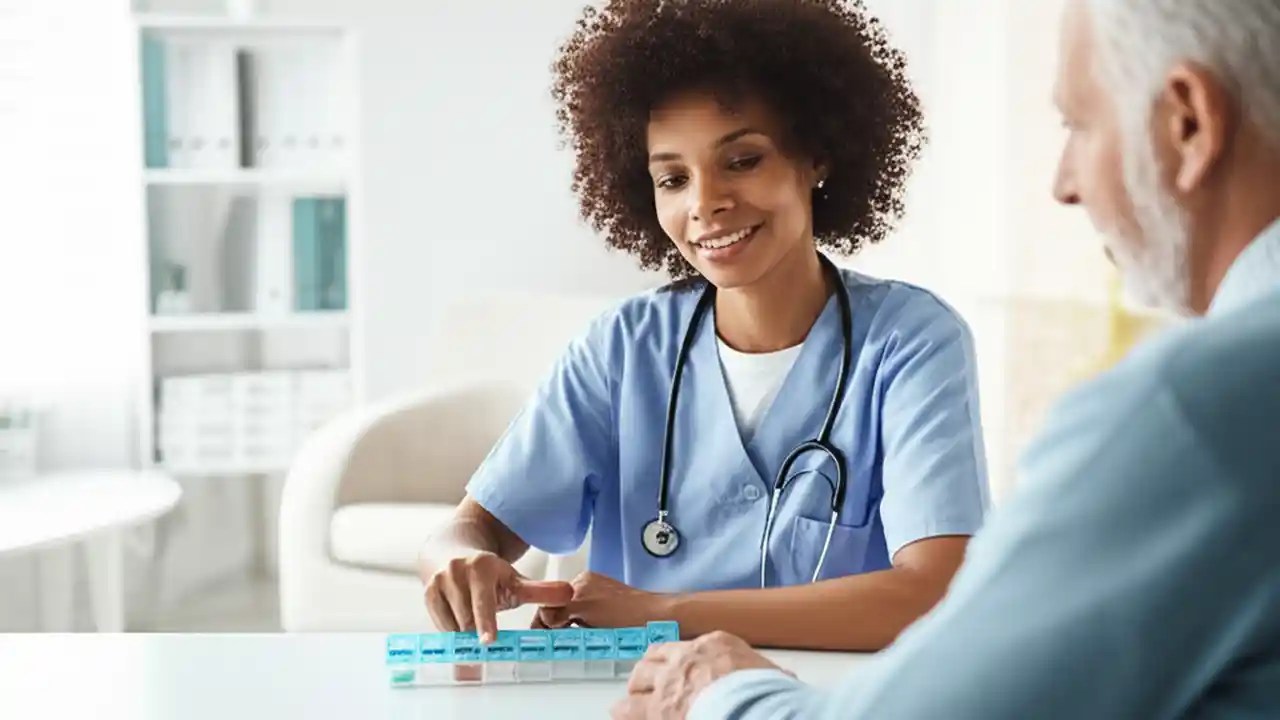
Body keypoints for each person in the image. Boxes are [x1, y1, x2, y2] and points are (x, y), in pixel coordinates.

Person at [612, 0, 1280, 717]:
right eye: (672, 178)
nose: (1065, 183)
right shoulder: (628, 336)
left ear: (1187, 122)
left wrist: (717, 689)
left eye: (1080, 125)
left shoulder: (1191, 414)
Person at [416, 0, 991, 652]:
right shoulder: (623, 348)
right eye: (672, 178)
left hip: (831, 697)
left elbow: (935, 594)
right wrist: (456, 560)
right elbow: (467, 531)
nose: (705, 203)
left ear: (817, 156)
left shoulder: (911, 342)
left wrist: (662, 611)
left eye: (742, 160)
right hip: (648, 694)